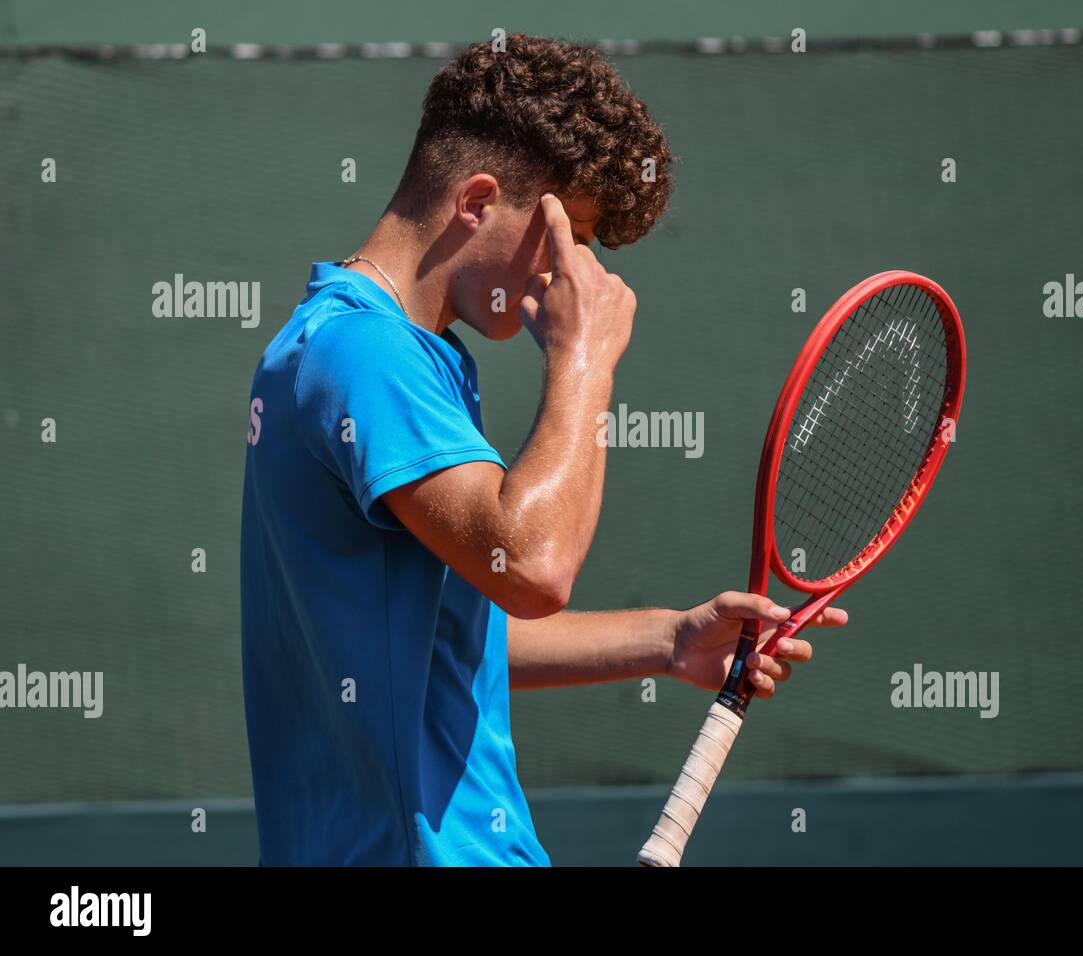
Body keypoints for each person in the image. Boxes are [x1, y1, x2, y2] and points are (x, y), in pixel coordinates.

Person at [240, 33, 847, 866]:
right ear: (477, 200)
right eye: (568, 237)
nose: (574, 274)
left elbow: (436, 642)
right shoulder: (366, 355)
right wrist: (584, 359)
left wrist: (669, 641)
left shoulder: (337, 347)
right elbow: (532, 568)